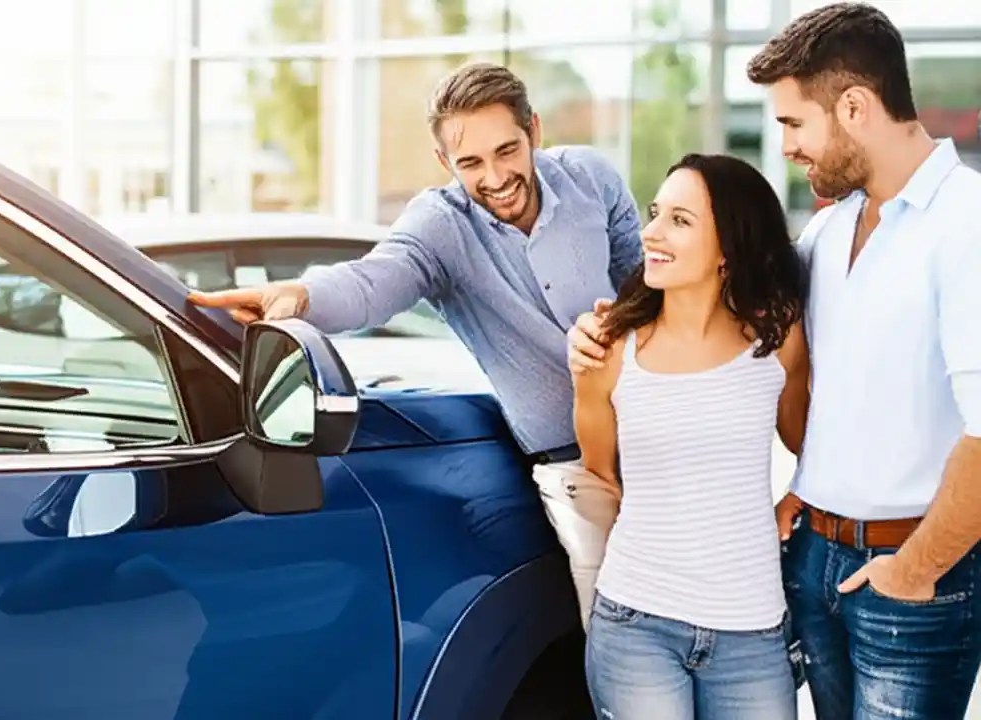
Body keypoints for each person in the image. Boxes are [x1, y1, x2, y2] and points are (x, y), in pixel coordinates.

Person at [571, 4, 981, 718]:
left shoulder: (966, 224)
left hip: (911, 577)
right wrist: (810, 489)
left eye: (793, 123)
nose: (786, 146)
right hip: (810, 564)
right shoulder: (829, 231)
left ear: (853, 107)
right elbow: (785, 370)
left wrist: (915, 571)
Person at [188, 61, 642, 625]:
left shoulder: (590, 178)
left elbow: (648, 289)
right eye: (470, 163)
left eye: (507, 151)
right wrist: (301, 296)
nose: (496, 177)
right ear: (444, 162)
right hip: (574, 471)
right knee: (619, 632)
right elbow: (373, 281)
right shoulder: (441, 225)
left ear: (534, 131)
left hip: (659, 435)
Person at [570, 153, 808, 719]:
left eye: (679, 220)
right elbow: (601, 474)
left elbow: (811, 446)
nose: (650, 232)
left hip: (752, 629)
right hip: (636, 623)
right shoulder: (609, 349)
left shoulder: (778, 339)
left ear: (729, 247)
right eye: (655, 213)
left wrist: (800, 495)